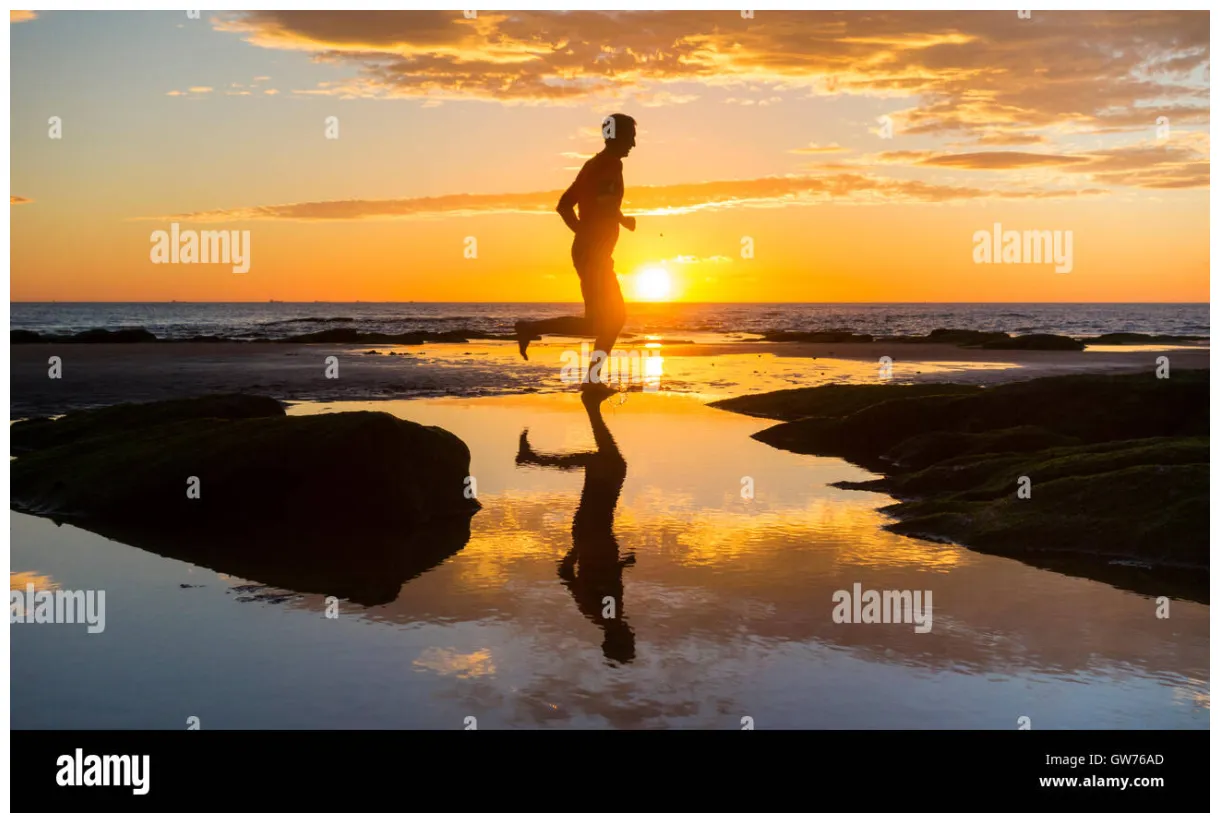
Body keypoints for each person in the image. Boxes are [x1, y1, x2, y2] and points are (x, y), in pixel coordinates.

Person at [516, 113, 637, 400]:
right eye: (631, 137)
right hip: (593, 254)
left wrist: (613, 221)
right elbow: (592, 203)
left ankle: (590, 380)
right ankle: (534, 331)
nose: (634, 144)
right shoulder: (609, 165)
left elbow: (568, 205)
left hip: (591, 252)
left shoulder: (594, 165)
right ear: (617, 136)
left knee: (605, 321)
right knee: (609, 320)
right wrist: (589, 235)